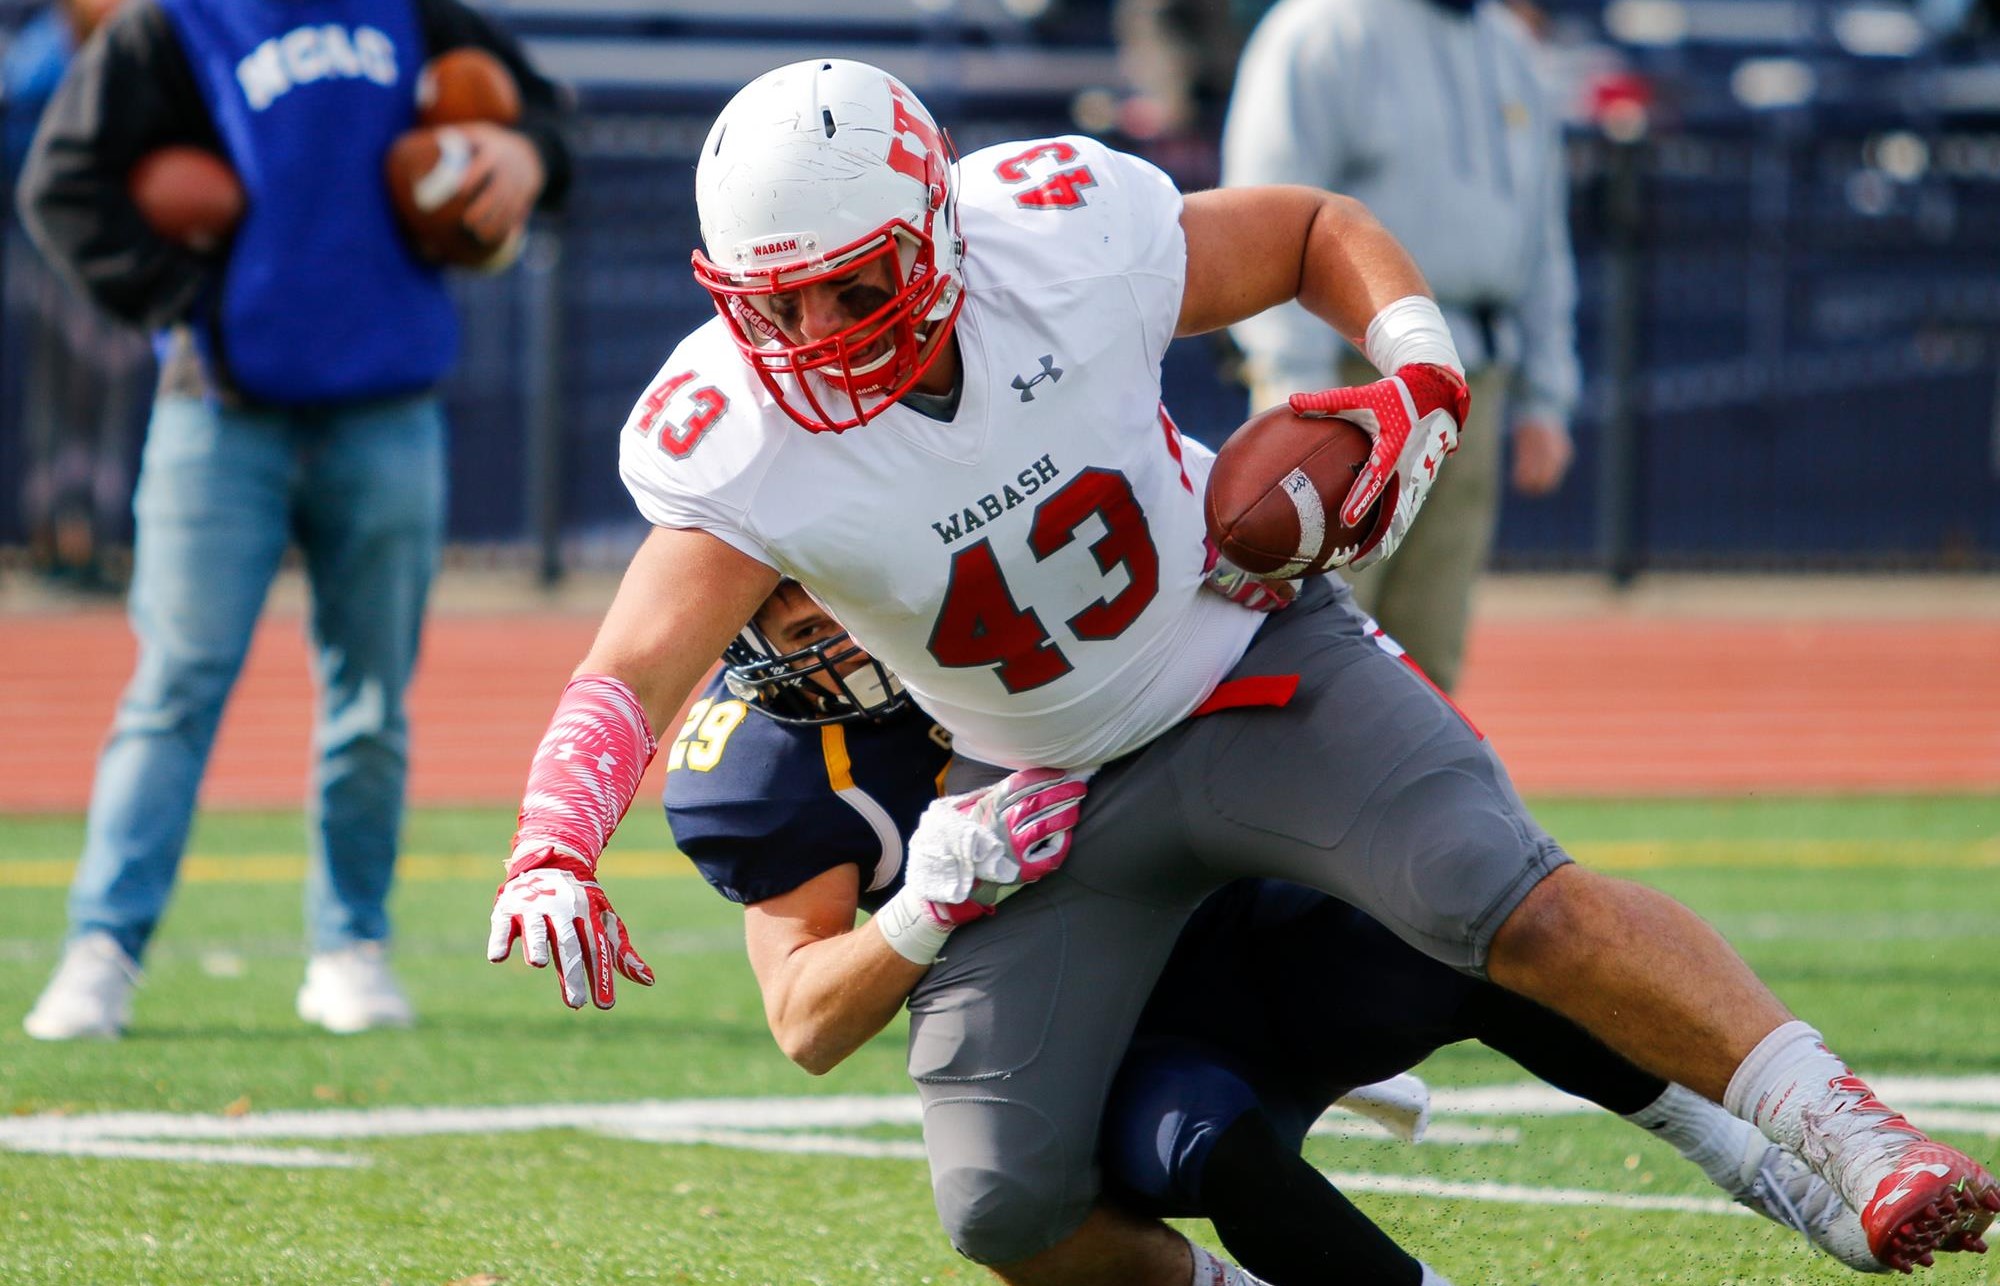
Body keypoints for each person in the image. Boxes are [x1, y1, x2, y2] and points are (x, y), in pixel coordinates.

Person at [485, 58, 1995, 1284]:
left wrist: (1417, 373)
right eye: (778, 301)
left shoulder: (1056, 232)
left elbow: (1308, 225)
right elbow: (635, 662)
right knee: (1003, 1206)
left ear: (937, 226)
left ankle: (1854, 1146)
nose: (814, 333)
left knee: (1500, 891)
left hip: (1244, 662)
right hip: (1042, 789)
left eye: (850, 283)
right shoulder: (733, 430)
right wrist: (553, 839)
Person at [651, 578, 1884, 1284]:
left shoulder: (1004, 565)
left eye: (844, 595)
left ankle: (1739, 1145)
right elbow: (804, 1016)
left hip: (1251, 922)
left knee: (1464, 925)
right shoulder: (770, 770)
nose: (847, 636)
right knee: (1191, 1139)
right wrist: (927, 905)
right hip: (1105, 1023)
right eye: (802, 626)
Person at [18, 0, 570, 1039]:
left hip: (388, 405)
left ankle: (349, 945)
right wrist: (187, 301)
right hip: (221, 410)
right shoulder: (170, 25)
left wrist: (524, 156)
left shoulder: (412, 8)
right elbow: (61, 183)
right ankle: (102, 946)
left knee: (369, 698)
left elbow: (540, 120)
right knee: (175, 685)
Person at [1223, 0, 1579, 693]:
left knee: (1428, 660)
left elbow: (1542, 237)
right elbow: (1260, 219)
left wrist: (1548, 394)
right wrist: (1290, 385)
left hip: (1474, 376)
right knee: (1316, 647)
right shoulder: (1321, 29)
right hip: (1355, 378)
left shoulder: (1508, 45)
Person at [3, 0, 151, 593]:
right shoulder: (42, 55)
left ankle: (98, 536)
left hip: (117, 254)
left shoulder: (137, 43)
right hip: (55, 253)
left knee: (107, 402)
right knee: (59, 402)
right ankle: (53, 538)